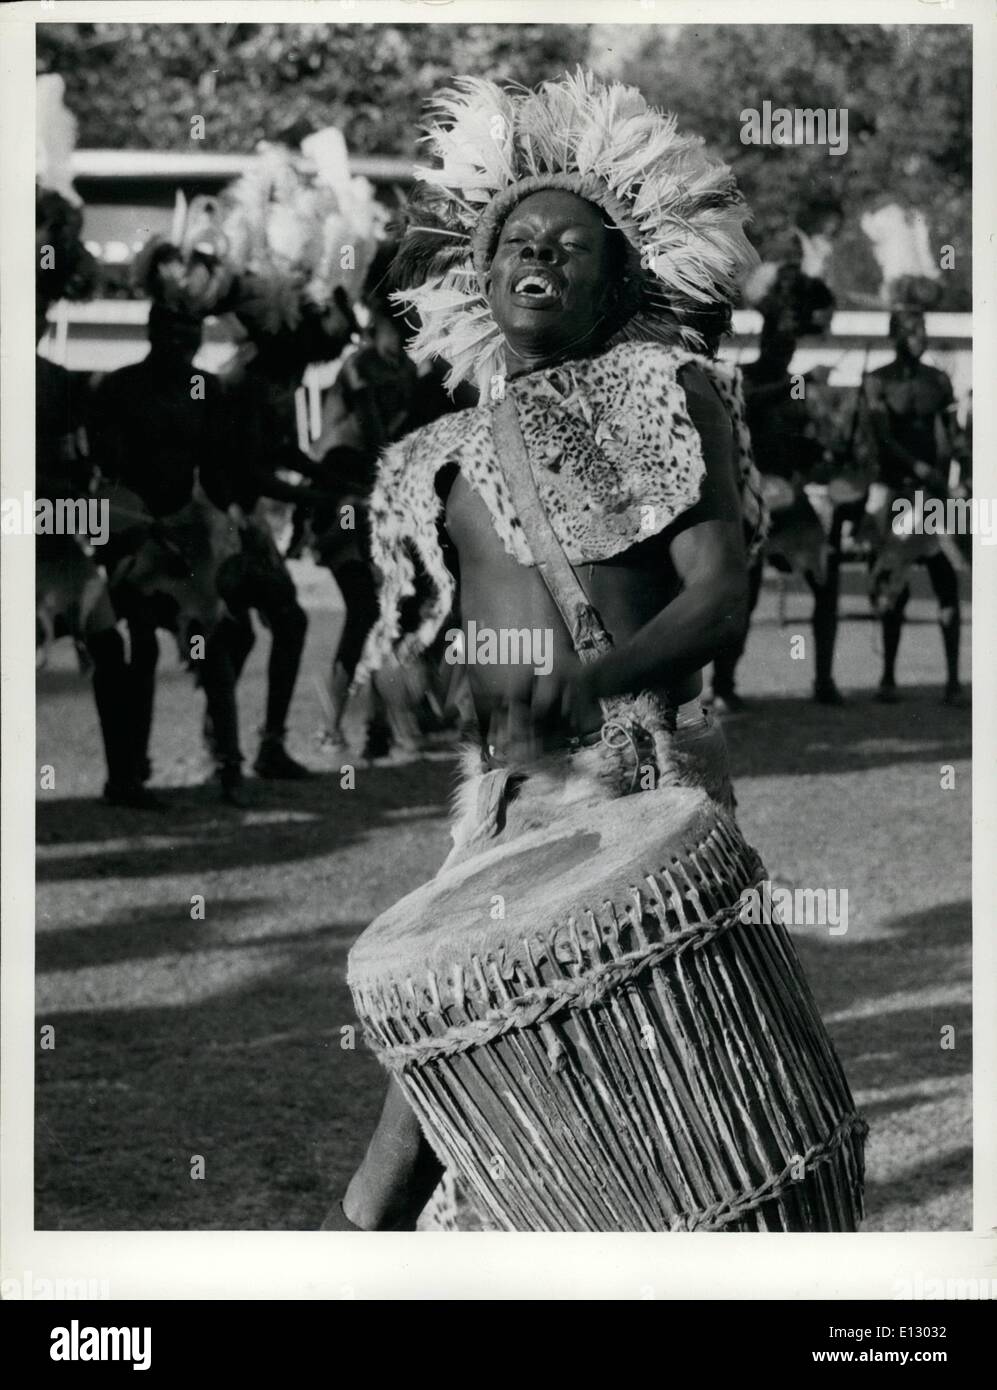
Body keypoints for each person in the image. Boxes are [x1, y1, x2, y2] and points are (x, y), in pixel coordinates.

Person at [323, 73, 861, 1232]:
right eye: (519, 240)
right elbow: (417, 655)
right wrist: (408, 687)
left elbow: (718, 599)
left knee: (666, 1113)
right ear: (481, 268)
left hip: (646, 788)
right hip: (505, 820)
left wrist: (595, 679)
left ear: (623, 276)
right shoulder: (434, 458)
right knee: (447, 1092)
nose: (540, 259)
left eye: (573, 247)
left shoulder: (673, 391)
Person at [711, 254, 846, 709]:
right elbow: (748, 404)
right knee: (742, 598)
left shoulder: (795, 384)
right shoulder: (741, 376)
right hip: (748, 498)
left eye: (790, 344)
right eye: (778, 340)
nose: (783, 350)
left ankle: (823, 680)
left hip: (789, 497)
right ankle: (725, 685)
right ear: (765, 336)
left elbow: (804, 440)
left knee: (826, 581)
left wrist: (821, 451)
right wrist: (803, 384)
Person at [862, 304, 964, 704]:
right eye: (914, 330)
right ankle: (888, 678)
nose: (921, 336)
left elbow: (954, 433)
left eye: (924, 329)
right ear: (897, 335)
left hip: (935, 493)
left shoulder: (939, 380)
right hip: (896, 492)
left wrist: (962, 470)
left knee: (948, 579)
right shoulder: (877, 381)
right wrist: (920, 468)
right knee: (894, 583)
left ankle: (954, 682)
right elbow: (882, 440)